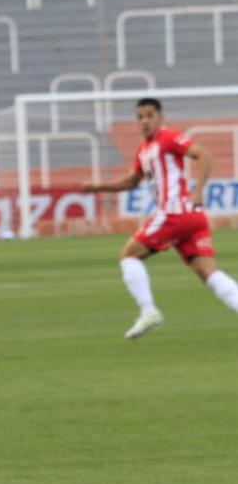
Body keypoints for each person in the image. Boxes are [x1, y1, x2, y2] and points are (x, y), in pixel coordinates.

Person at [82, 97, 238, 338]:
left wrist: (198, 192)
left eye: (149, 115)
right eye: (140, 117)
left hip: (174, 212)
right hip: (193, 218)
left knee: (128, 256)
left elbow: (203, 155)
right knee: (209, 272)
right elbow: (130, 181)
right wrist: (97, 187)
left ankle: (148, 310)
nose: (145, 121)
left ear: (160, 117)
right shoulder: (144, 150)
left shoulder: (167, 138)